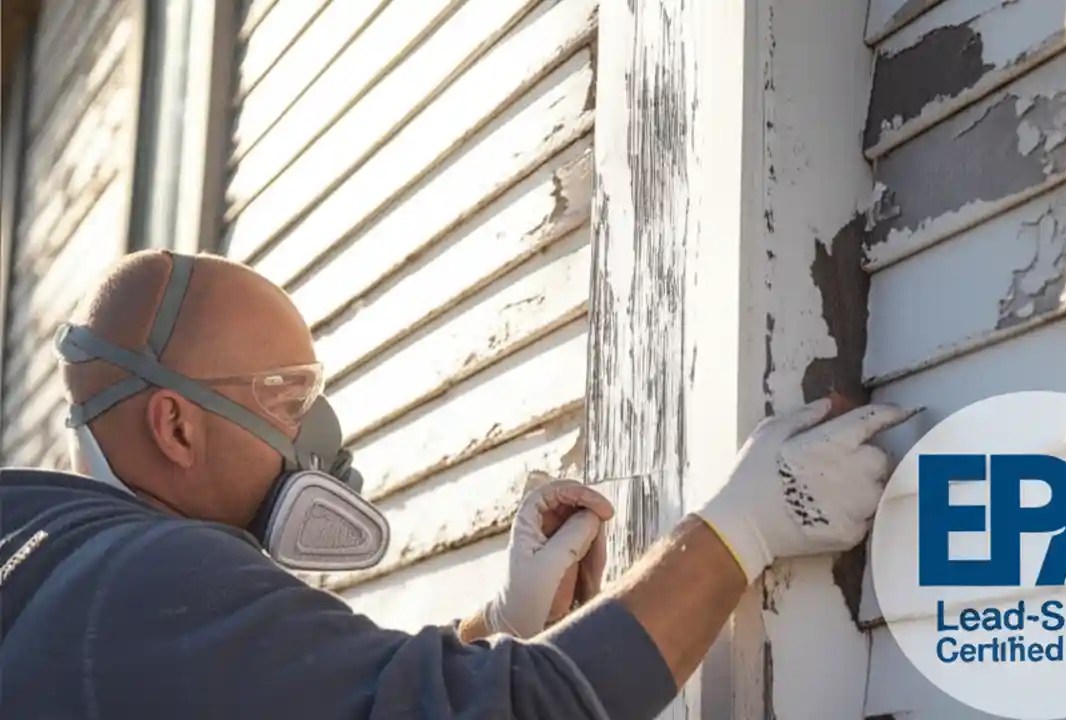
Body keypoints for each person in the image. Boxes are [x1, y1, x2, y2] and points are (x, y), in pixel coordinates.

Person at [0, 250, 909, 719]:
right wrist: (743, 528)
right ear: (177, 424)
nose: (313, 438)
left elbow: (327, 694)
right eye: (284, 399)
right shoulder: (145, 585)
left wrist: (499, 627)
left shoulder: (52, 565)